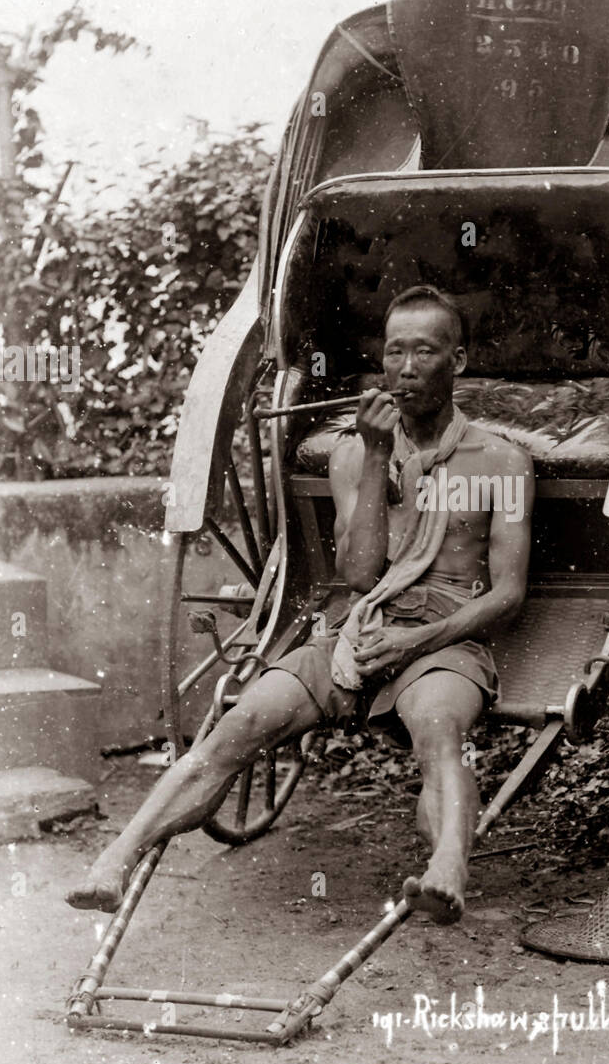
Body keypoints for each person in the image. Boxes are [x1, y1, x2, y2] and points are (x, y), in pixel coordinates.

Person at [66, 285, 534, 923]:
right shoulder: (353, 453)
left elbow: (507, 595)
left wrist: (413, 643)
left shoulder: (503, 460)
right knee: (238, 725)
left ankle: (447, 867)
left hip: (444, 639)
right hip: (357, 627)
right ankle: (117, 857)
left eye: (426, 351)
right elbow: (359, 574)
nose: (406, 368)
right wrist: (376, 454)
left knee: (438, 730)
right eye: (394, 352)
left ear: (460, 360)